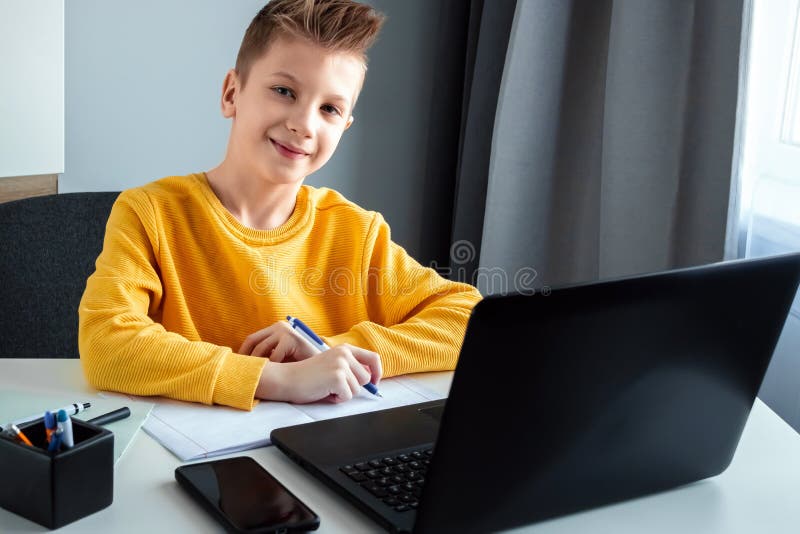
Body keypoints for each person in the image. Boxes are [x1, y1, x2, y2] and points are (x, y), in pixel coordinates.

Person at [79, 0, 482, 411]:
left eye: (329, 109)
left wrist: (322, 347)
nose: (304, 124)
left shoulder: (356, 233)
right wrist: (278, 378)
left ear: (344, 127)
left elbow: (470, 317)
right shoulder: (150, 214)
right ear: (231, 93)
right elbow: (107, 341)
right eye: (284, 91)